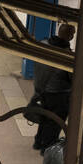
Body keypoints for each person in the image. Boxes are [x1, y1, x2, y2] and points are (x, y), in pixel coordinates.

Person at [31, 23, 75, 151]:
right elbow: (72, 77)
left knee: (44, 116)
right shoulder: (67, 56)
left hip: (41, 90)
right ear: (70, 36)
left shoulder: (43, 43)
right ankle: (47, 148)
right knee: (55, 122)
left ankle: (38, 141)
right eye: (73, 34)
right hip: (59, 94)